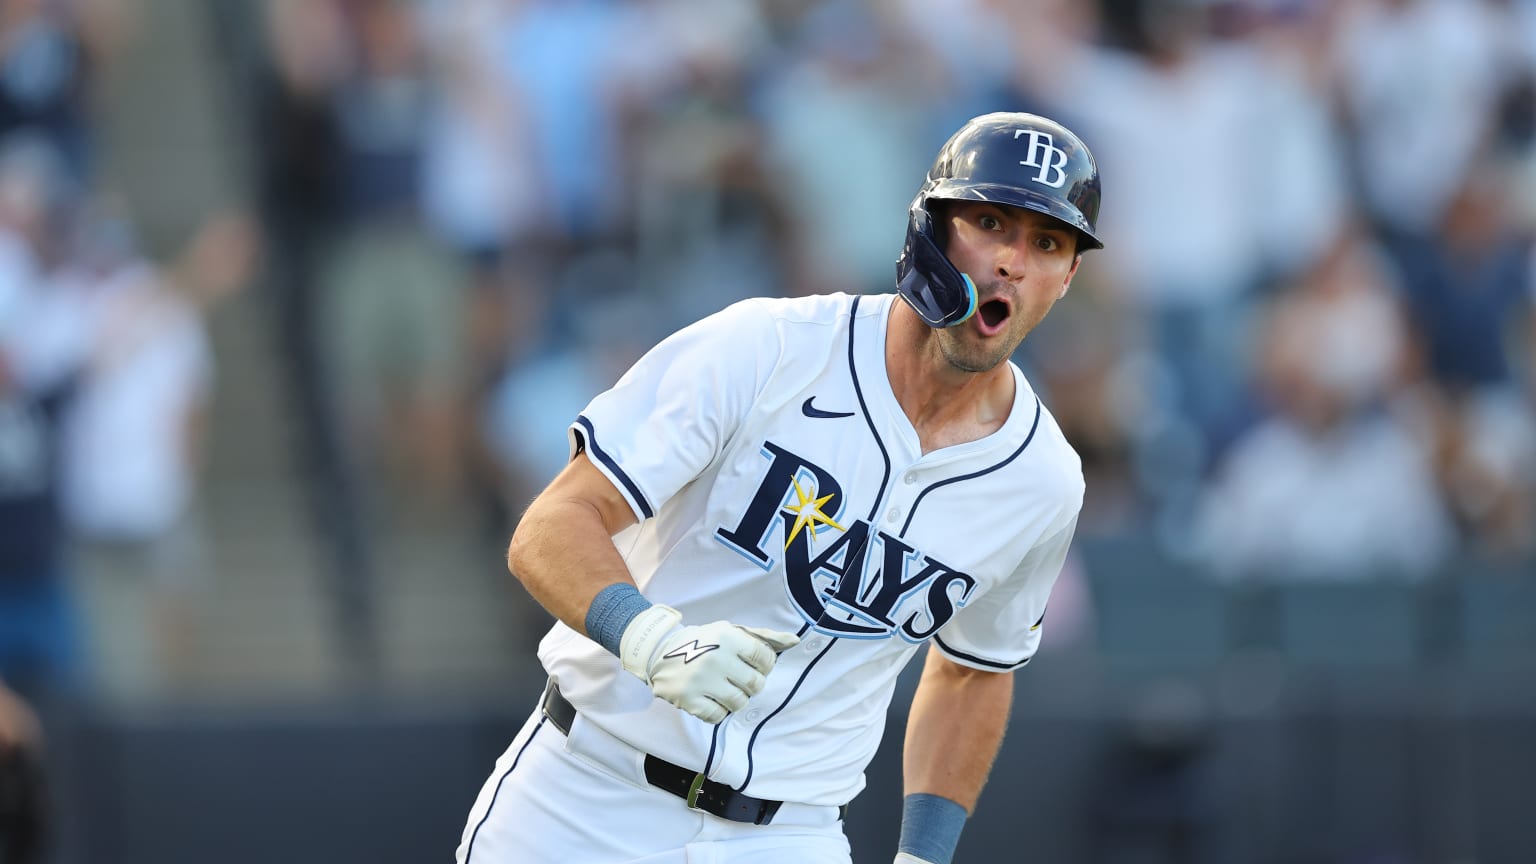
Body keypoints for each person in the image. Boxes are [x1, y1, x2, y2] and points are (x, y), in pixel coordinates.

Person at [456, 112, 1102, 864]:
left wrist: (923, 856)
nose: (1012, 262)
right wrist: (653, 638)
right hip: (587, 798)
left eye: (1046, 243)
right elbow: (552, 524)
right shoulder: (766, 349)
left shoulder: (1042, 479)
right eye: (990, 222)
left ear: (1067, 278)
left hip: (790, 833)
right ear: (929, 226)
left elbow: (972, 672)